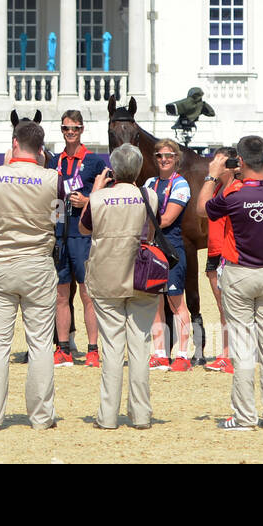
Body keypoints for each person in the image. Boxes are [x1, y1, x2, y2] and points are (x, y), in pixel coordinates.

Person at [196, 135, 263, 431]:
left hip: (240, 273)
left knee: (242, 345)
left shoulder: (233, 196)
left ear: (239, 161)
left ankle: (244, 416)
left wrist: (214, 175)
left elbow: (203, 209)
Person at [0, 119, 63, 431]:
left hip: (0, 262)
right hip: (38, 262)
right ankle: (41, 416)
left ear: (14, 143)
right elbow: (58, 218)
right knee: (40, 343)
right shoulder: (53, 178)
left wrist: (3, 169)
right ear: (40, 150)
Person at [78, 143, 159, 429]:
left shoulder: (100, 198)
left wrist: (96, 192)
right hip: (142, 276)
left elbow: (84, 229)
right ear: (137, 169)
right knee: (140, 346)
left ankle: (108, 416)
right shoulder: (149, 194)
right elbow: (153, 225)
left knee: (112, 347)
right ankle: (141, 415)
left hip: (107, 276)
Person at [53, 110, 106, 367]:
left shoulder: (95, 162)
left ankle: (93, 349)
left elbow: (108, 198)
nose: (70, 132)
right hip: (58, 234)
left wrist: (88, 201)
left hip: (83, 235)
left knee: (87, 294)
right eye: (66, 128)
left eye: (74, 128)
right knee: (61, 294)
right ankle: (62, 348)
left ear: (82, 129)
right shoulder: (54, 161)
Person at [143, 138, 193, 372]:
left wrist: (142, 225)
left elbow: (167, 219)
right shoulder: (150, 182)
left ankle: (183, 354)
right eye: (160, 156)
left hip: (171, 247)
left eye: (169, 156)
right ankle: (160, 353)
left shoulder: (181, 184)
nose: (164, 160)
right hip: (151, 247)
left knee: (176, 302)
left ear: (176, 159)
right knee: (155, 302)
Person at [201, 145, 240, 374]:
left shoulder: (234, 189)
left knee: (230, 307)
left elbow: (202, 209)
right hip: (215, 252)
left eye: (221, 162)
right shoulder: (219, 190)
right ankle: (226, 353)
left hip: (227, 254)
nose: (216, 166)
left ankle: (231, 354)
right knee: (222, 306)